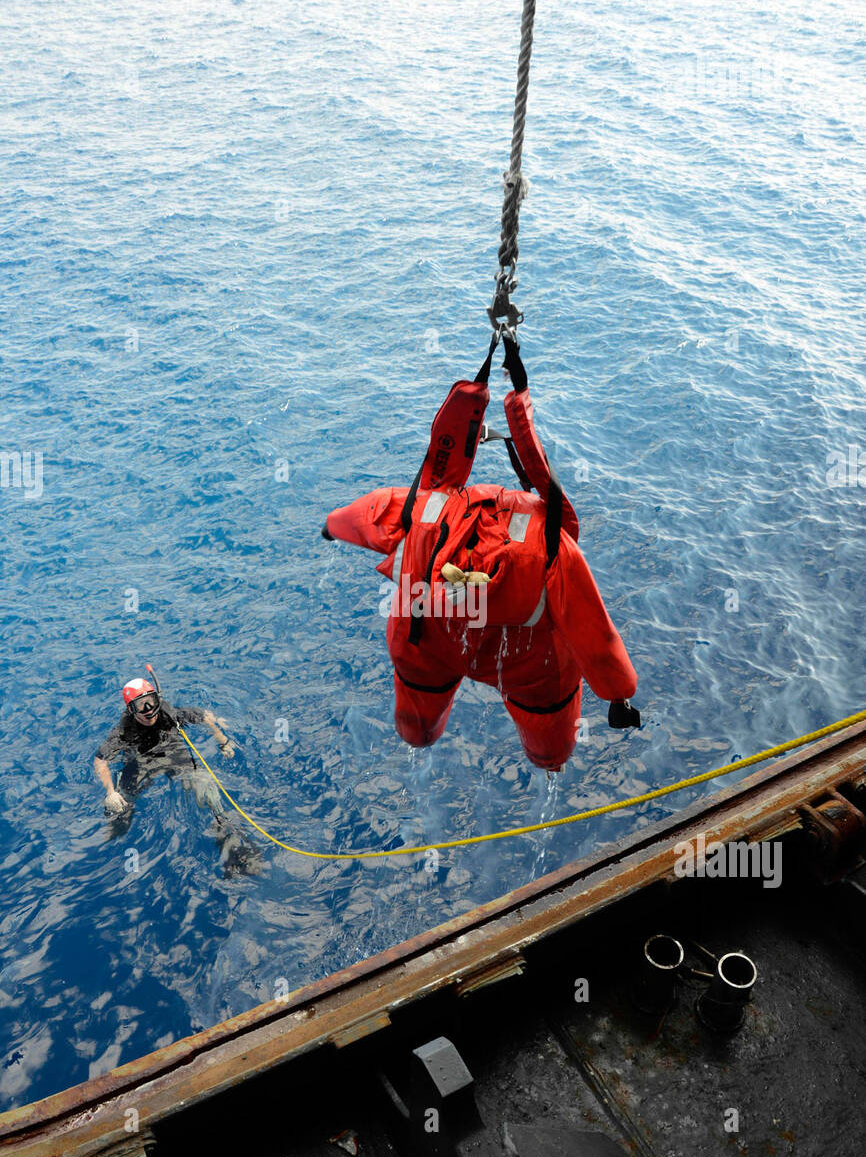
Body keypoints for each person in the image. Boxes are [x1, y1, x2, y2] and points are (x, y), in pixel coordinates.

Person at [322, 334, 640, 771]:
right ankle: (546, 758)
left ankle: (420, 734)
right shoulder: (551, 548)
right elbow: (596, 637)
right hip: (531, 667)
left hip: (429, 645)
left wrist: (330, 526)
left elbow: (367, 514)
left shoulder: (425, 510)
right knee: (550, 750)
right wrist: (618, 693)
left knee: (416, 728)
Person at [94, 676, 261, 874]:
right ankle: (112, 837)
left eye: (151, 701)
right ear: (131, 710)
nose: (149, 709)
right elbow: (100, 760)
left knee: (206, 787)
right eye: (141, 705)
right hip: (140, 761)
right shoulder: (124, 731)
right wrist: (110, 791)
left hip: (174, 752)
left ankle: (229, 840)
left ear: (157, 699)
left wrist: (222, 739)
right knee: (120, 806)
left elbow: (203, 716)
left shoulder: (168, 714)